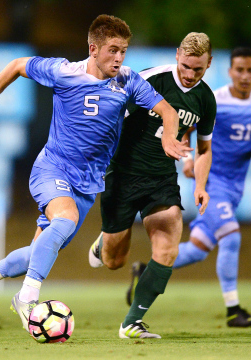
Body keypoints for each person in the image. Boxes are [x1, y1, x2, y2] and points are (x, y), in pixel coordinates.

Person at [0, 14, 191, 333]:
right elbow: (19, 64)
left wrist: (170, 135)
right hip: (53, 167)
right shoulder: (64, 72)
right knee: (65, 219)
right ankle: (28, 297)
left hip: (89, 183)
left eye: (124, 51)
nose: (119, 58)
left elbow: (167, 110)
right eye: (113, 50)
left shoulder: (128, 80)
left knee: (41, 249)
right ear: (93, 48)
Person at [89, 32, 216, 338]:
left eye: (197, 69)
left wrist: (200, 185)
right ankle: (104, 241)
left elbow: (203, 149)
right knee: (113, 261)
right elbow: (110, 104)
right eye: (185, 66)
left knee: (169, 241)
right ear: (176, 55)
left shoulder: (206, 100)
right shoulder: (151, 79)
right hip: (122, 174)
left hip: (161, 179)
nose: (189, 74)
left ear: (209, 64)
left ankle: (132, 321)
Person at [172, 47, 251, 327]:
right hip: (211, 183)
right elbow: (185, 129)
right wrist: (189, 157)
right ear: (230, 71)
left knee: (197, 249)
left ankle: (147, 272)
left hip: (235, 189)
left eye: (250, 71)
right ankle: (233, 310)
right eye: (240, 70)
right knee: (231, 236)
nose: (245, 76)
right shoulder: (215, 100)